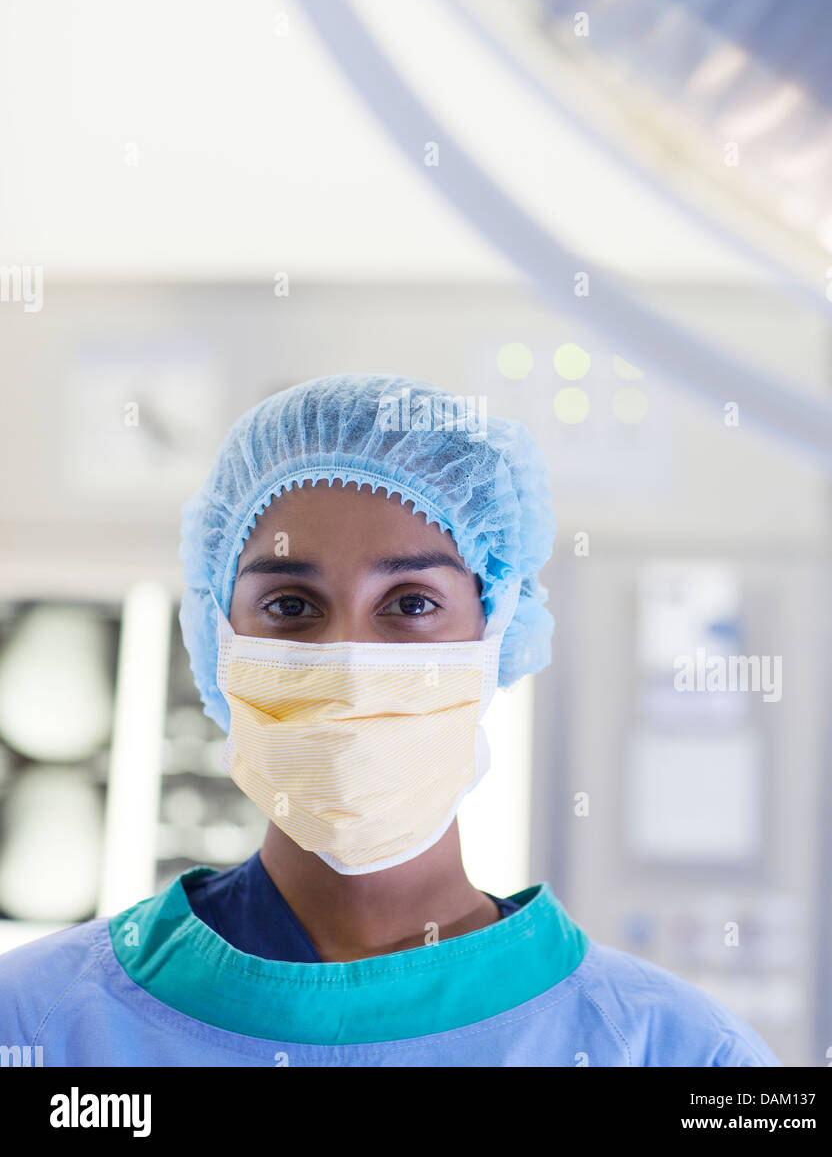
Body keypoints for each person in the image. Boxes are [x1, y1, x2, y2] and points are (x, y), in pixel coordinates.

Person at [0, 372, 780, 1066]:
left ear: (496, 630)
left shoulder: (675, 1053)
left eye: (410, 605)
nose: (346, 662)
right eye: (290, 606)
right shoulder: (38, 1027)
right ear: (217, 638)